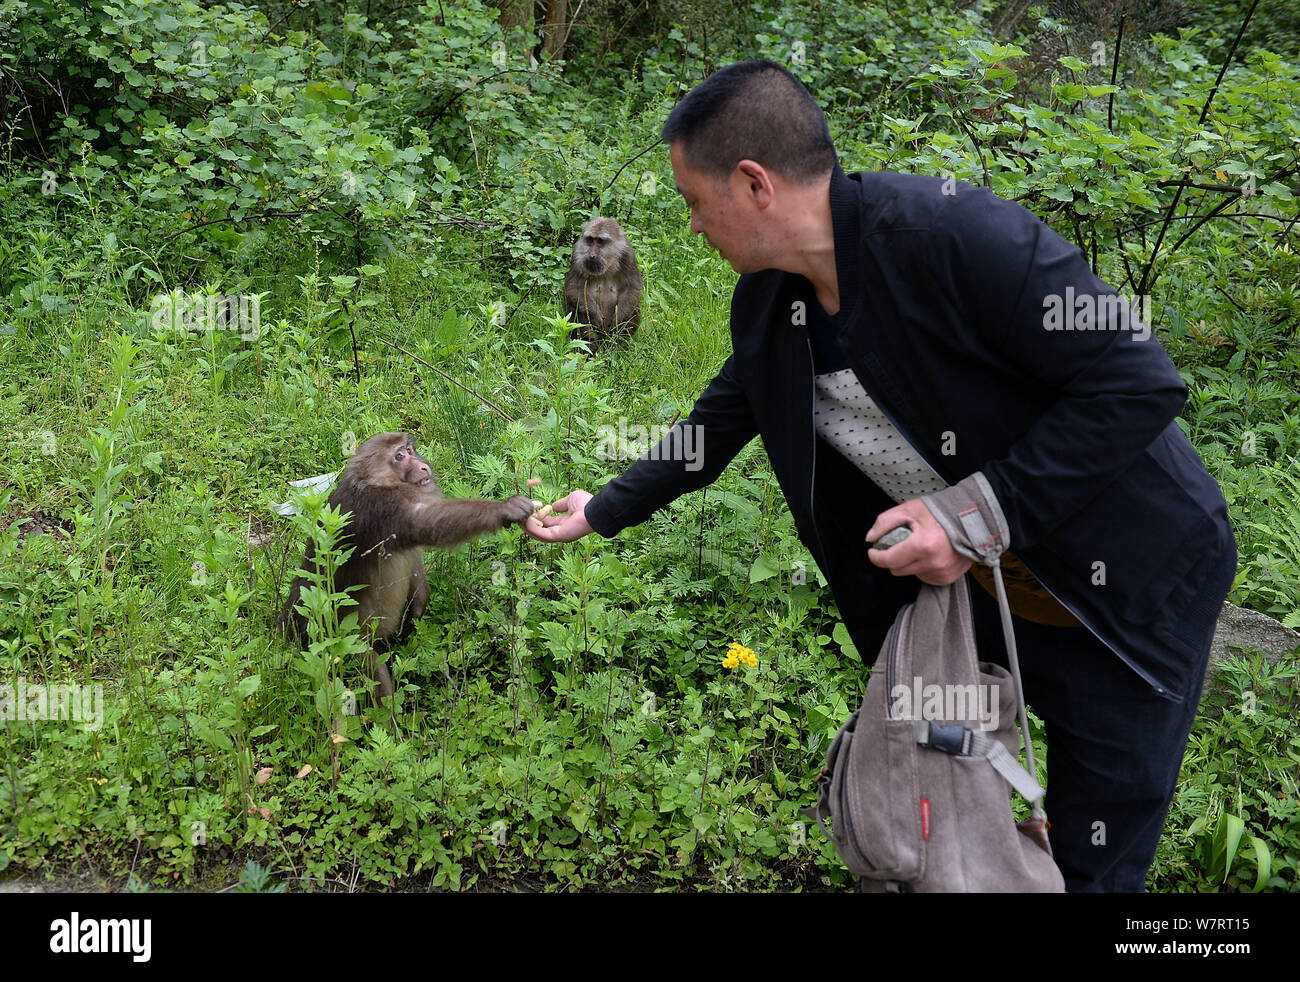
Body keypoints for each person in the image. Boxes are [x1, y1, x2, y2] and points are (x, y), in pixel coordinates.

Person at [524, 60, 1237, 892]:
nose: (690, 226)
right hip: (976, 606)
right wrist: (603, 508)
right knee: (955, 793)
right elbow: (723, 419)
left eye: (693, 201)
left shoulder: (959, 238)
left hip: (1125, 591)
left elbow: (1139, 380)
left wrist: (973, 518)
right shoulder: (769, 303)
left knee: (1092, 853)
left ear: (754, 183)